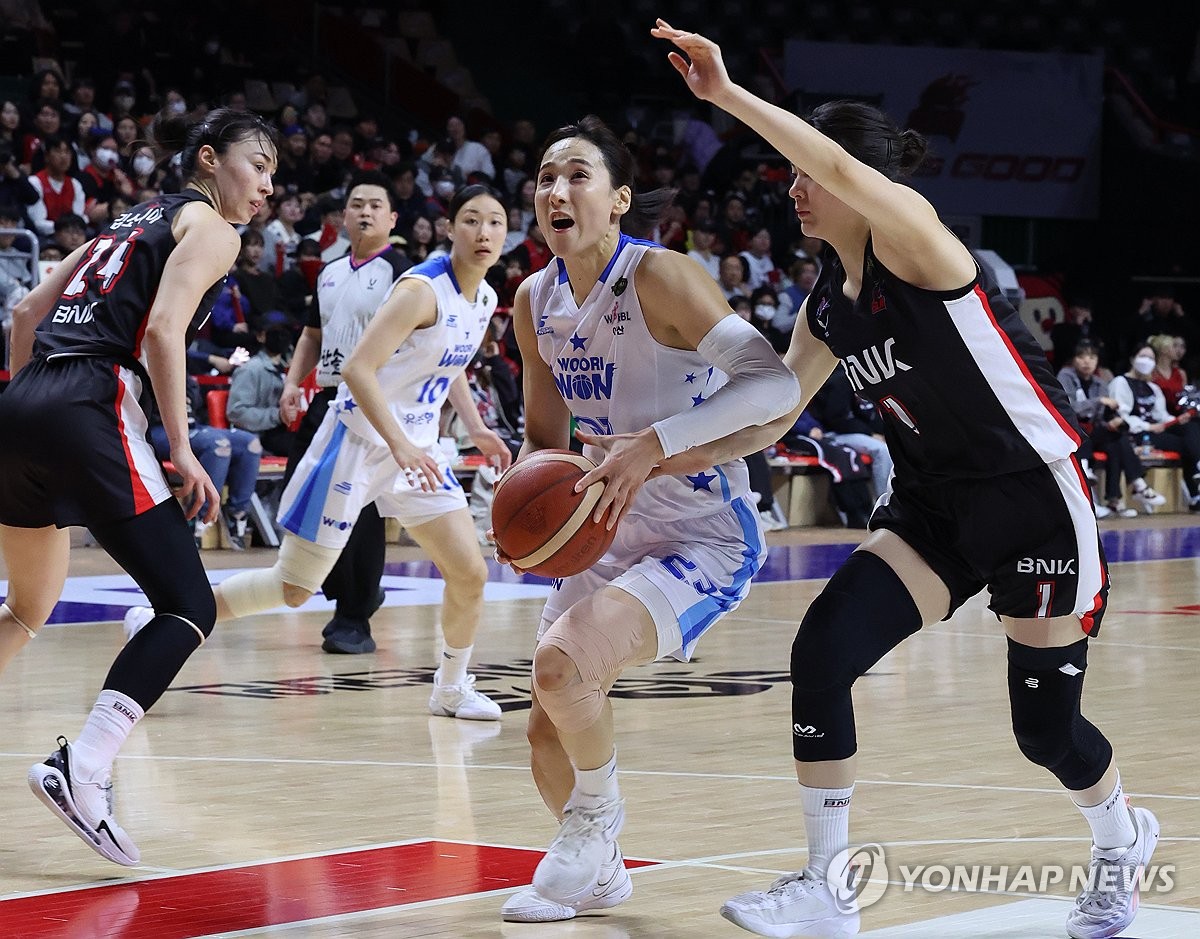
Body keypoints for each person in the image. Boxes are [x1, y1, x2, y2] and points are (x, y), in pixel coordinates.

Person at [652, 20, 1158, 939]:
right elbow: (770, 417)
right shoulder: (826, 304)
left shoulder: (919, 242)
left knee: (1046, 733)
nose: (794, 188)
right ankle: (825, 885)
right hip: (934, 509)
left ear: (854, 176)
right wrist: (650, 456)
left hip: (1033, 500)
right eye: (791, 174)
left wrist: (726, 95)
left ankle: (1121, 839)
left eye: (805, 172)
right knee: (822, 652)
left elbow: (841, 171)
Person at [496, 115, 799, 924]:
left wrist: (654, 446)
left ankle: (597, 821)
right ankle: (601, 874)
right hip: (603, 525)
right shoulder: (533, 299)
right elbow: (543, 437)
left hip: (701, 530)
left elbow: (773, 385)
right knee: (546, 726)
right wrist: (523, 508)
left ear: (620, 199)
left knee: (563, 666)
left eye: (578, 175)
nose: (556, 191)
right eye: (545, 177)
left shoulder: (659, 275)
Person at [0, 107, 275, 866]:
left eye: (273, 176)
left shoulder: (125, 222)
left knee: (25, 609)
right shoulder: (211, 227)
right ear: (210, 160)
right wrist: (181, 447)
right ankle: (84, 766)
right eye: (257, 167)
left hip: (22, 401)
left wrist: (32, 404)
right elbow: (160, 330)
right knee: (188, 603)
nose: (266, 187)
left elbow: (26, 311)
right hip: (92, 398)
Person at [162, 183, 512, 718]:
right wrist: (399, 444)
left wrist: (478, 427)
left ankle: (451, 687)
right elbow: (356, 369)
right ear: (448, 228)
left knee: (470, 573)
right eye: (471, 220)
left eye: (495, 222)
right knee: (293, 588)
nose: (483, 232)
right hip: (355, 442)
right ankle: (168, 617)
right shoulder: (421, 290)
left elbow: (448, 364)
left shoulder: (483, 297)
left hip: (415, 451)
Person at [1057, 340, 1165, 518]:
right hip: (1070, 432)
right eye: (1082, 357)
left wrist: (1112, 421)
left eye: (1092, 357)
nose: (1087, 362)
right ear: (1074, 360)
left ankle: (1116, 500)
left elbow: (1100, 417)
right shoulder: (1065, 376)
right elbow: (1068, 408)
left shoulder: (1100, 383)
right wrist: (1098, 401)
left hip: (1094, 431)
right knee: (1095, 436)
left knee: (1116, 440)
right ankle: (1135, 485)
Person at [1111, 343, 1200, 512]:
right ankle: (1195, 489)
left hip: (1156, 430)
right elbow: (1121, 415)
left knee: (1190, 427)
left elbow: (1162, 416)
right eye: (1143, 356)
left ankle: (1197, 483)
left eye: (1151, 358)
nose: (1147, 361)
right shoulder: (1121, 382)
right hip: (1136, 432)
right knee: (1187, 444)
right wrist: (1149, 426)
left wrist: (1177, 420)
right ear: (1132, 359)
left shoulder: (1153, 387)